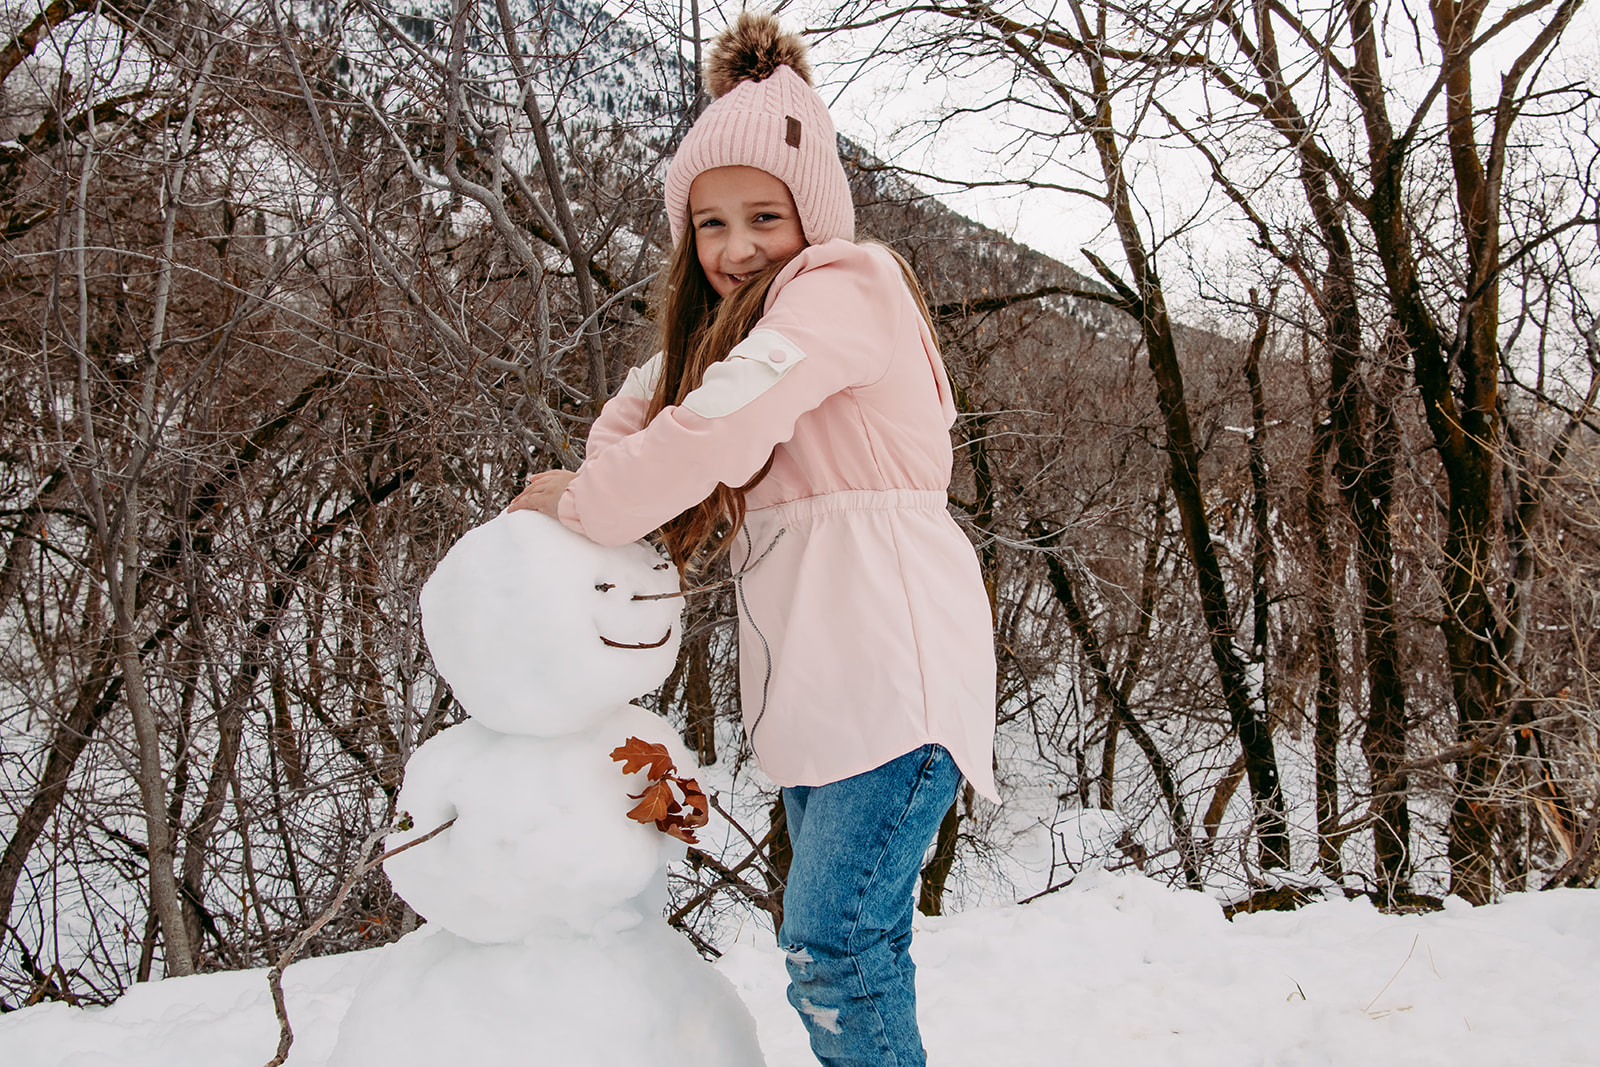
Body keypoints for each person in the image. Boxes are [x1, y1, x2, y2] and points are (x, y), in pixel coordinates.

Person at [510, 12, 997, 1066]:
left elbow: (712, 427)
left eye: (763, 215)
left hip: (893, 672)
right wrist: (670, 362)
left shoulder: (846, 287)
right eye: (710, 225)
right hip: (824, 686)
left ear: (811, 215)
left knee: (833, 942)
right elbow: (643, 427)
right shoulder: (751, 330)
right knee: (845, 941)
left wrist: (583, 503)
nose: (735, 248)